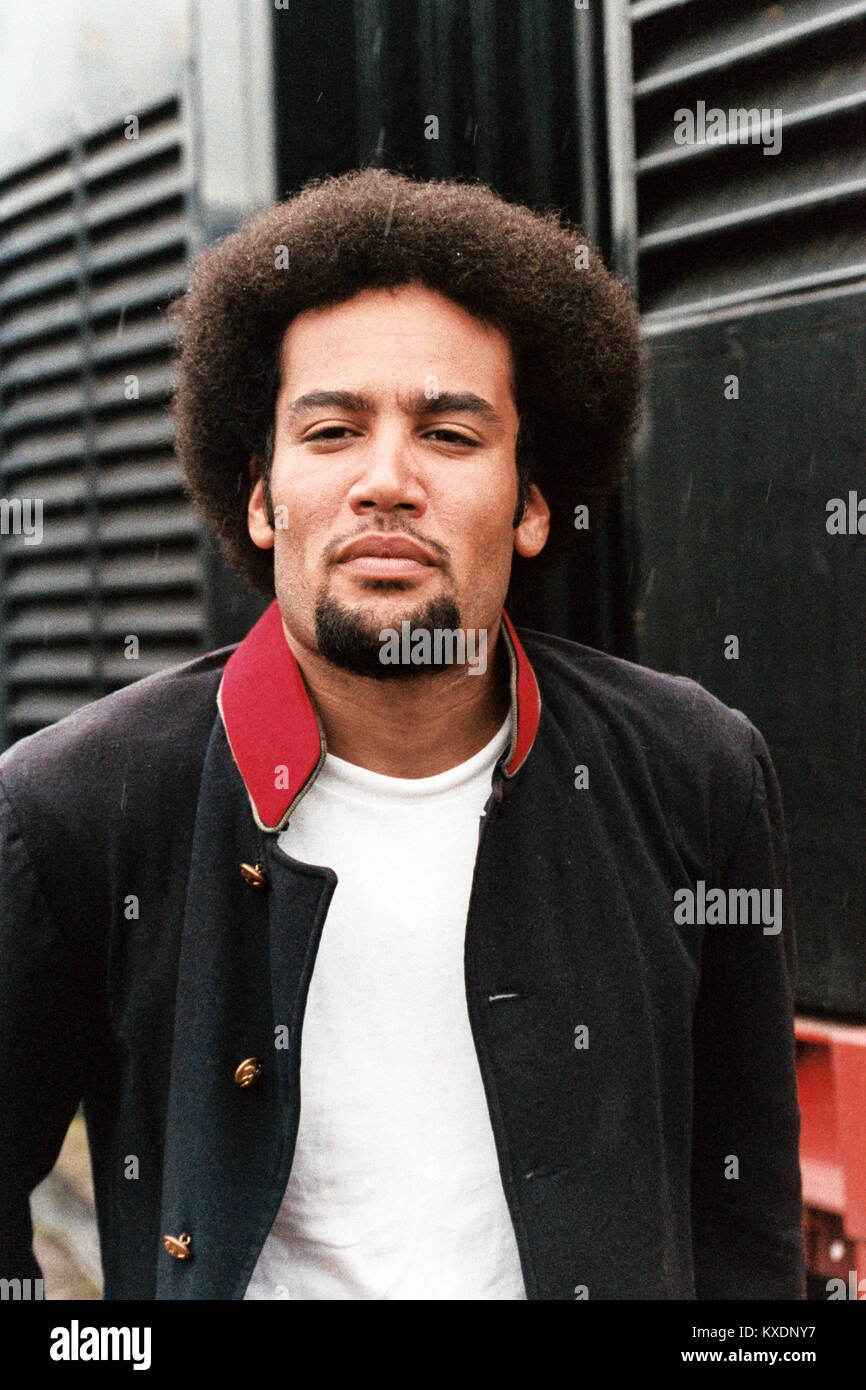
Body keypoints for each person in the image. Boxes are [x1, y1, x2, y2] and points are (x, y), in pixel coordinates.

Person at [0, 168, 805, 1300]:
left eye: (448, 433)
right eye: (332, 431)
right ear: (261, 496)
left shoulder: (694, 773)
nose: (386, 483)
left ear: (530, 503)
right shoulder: (74, 807)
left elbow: (748, 1238)